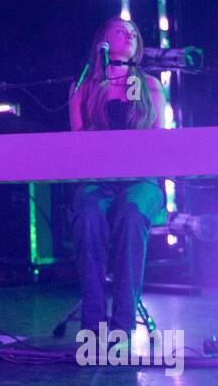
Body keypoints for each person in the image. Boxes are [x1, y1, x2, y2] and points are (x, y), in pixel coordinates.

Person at [67, 17, 168, 338]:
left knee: (131, 214)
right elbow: (77, 143)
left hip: (141, 181)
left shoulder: (150, 85)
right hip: (98, 181)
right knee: (87, 216)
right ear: (103, 39)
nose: (130, 35)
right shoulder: (84, 87)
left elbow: (160, 142)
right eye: (121, 31)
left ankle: (123, 326)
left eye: (133, 33)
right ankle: (93, 325)